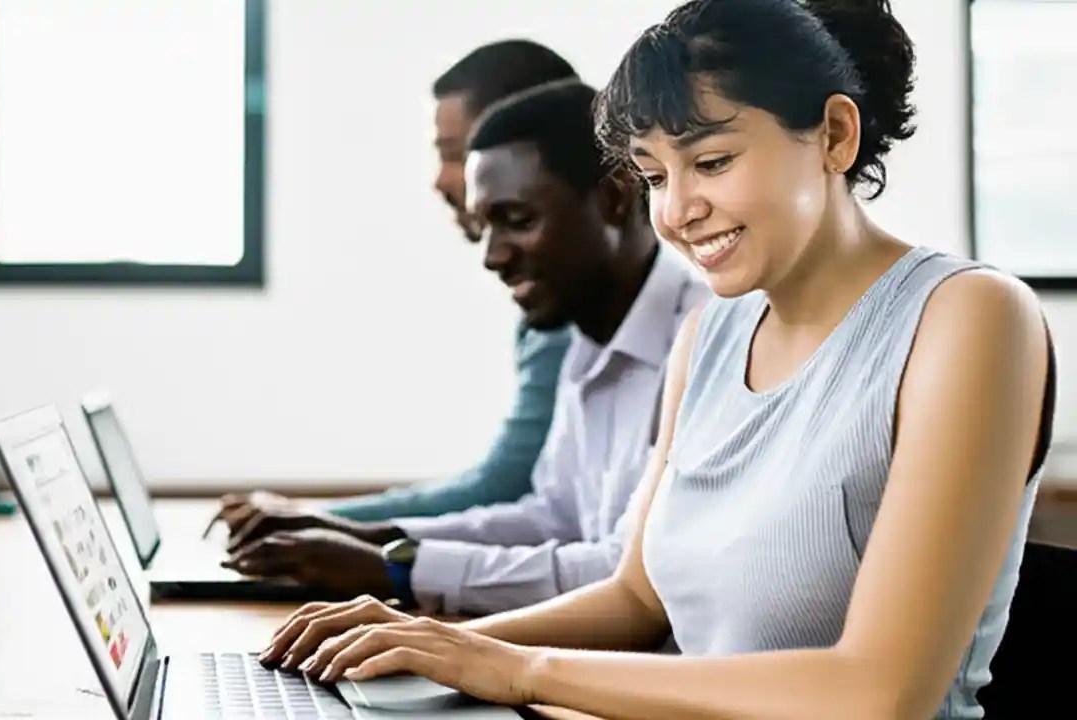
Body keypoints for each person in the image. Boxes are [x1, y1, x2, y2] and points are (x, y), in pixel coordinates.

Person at [252, 1, 1056, 718]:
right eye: (652, 175)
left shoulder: (969, 317)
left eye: (712, 162)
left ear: (834, 136)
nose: (677, 210)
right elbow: (638, 598)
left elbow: (878, 692)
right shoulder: (708, 336)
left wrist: (516, 669)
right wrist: (434, 643)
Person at [222, 79, 709, 616]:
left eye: (518, 221)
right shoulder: (588, 338)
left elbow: (622, 574)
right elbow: (553, 516)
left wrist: (396, 567)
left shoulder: (706, 344)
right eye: (483, 227)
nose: (493, 256)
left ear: (614, 199)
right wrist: (373, 537)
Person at [210, 41, 578, 540]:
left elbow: (505, 487)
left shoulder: (574, 314)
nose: (441, 181)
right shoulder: (546, 303)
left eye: (455, 155)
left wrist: (322, 520)